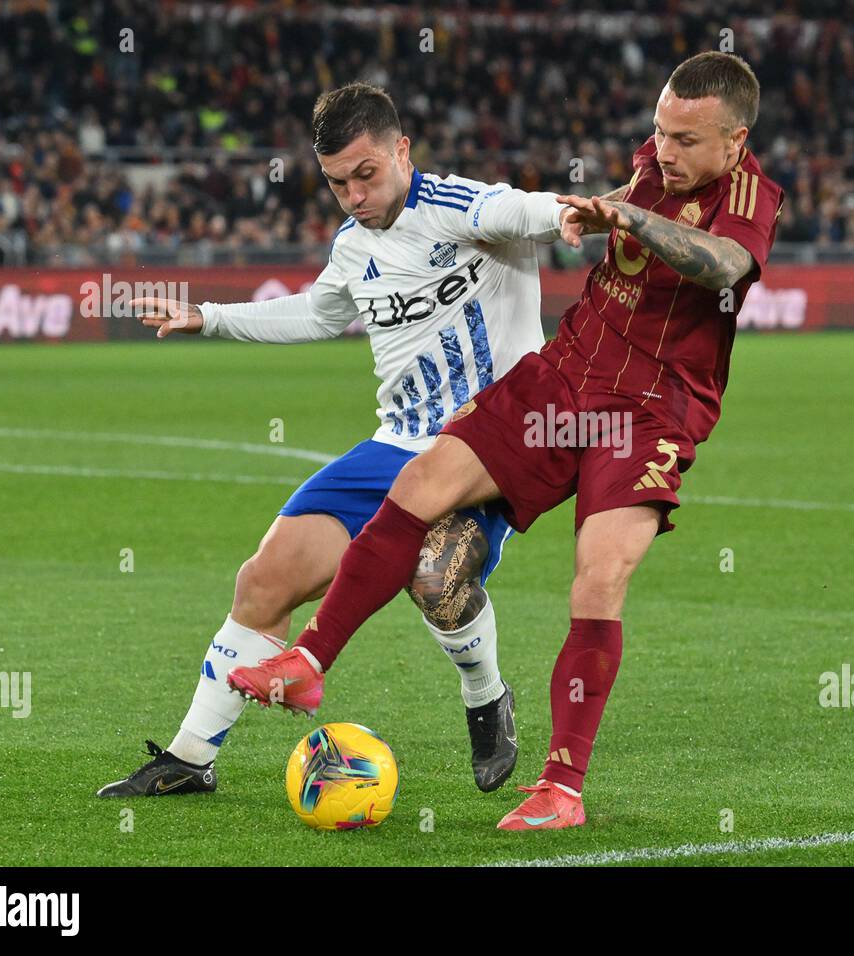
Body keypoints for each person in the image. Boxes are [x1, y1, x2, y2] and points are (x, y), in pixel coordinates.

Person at [227, 52, 784, 831]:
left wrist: (632, 218)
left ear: (735, 141)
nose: (665, 151)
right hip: (565, 374)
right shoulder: (653, 166)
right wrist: (600, 207)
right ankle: (311, 662)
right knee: (419, 485)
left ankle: (562, 787)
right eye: (659, 132)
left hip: (650, 410)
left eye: (687, 141)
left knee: (597, 582)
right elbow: (623, 198)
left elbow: (726, 264)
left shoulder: (751, 195)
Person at [97, 80, 574, 799]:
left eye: (366, 174)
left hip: (481, 450)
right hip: (393, 445)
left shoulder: (460, 209)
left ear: (401, 150)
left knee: (436, 581)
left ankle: (486, 695)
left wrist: (569, 212)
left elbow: (522, 208)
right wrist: (211, 318)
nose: (353, 195)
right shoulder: (354, 245)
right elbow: (319, 314)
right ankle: (191, 759)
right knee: (261, 581)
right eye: (336, 182)